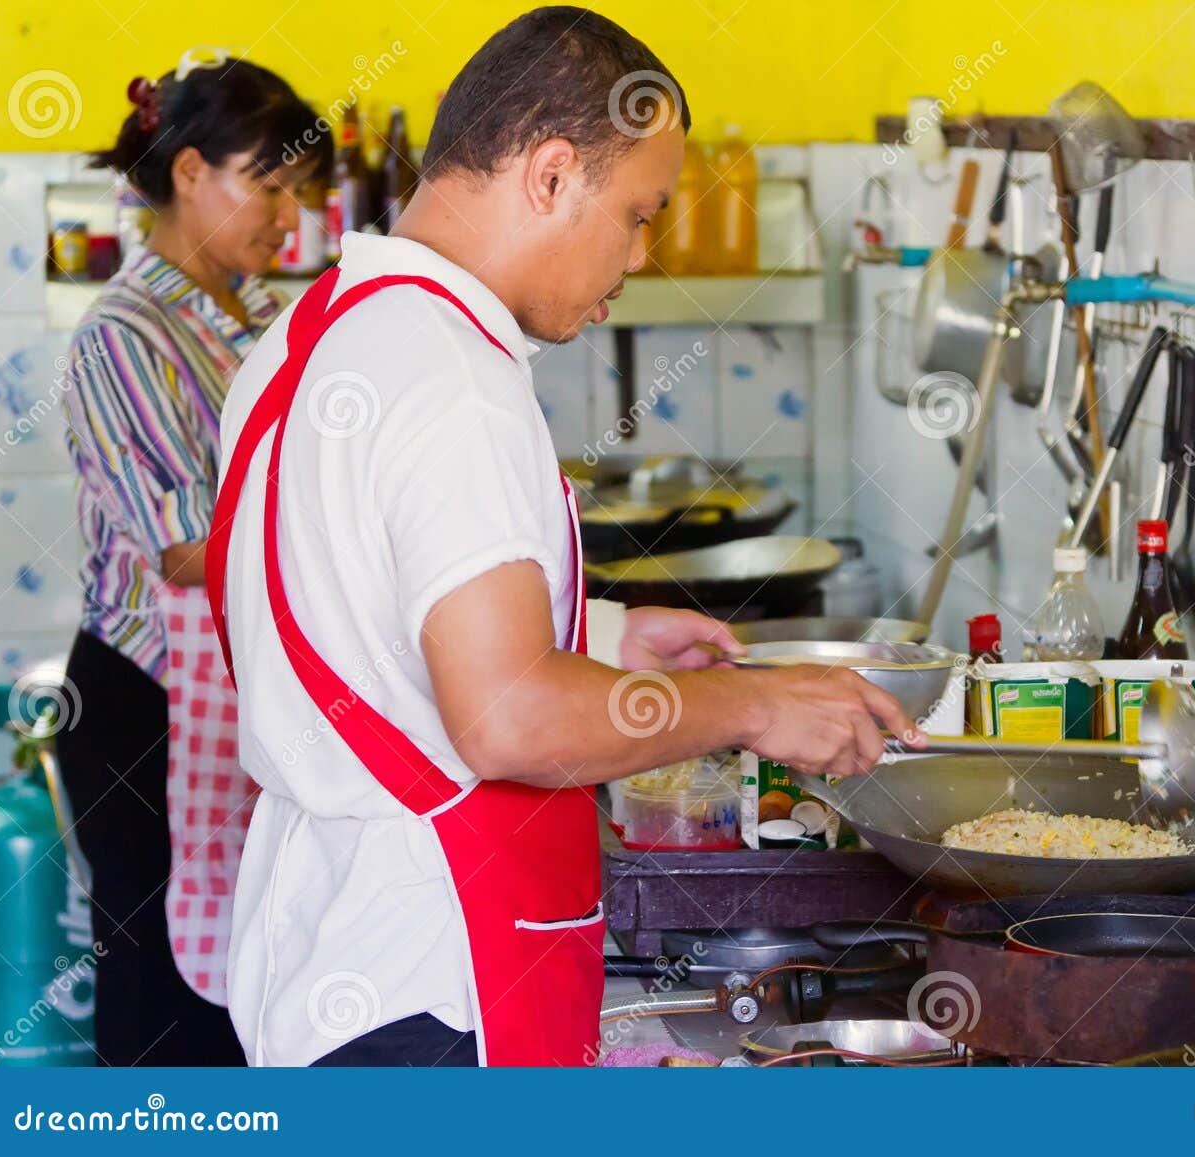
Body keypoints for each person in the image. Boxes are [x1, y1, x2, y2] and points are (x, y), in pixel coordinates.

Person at [210, 6, 921, 1068]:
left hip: (322, 960)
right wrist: (760, 705)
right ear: (549, 174)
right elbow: (507, 717)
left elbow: (351, 595)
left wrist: (598, 631)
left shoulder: (318, 329)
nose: (639, 254)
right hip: (429, 980)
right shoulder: (455, 374)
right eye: (638, 214)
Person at [56, 51, 330, 1065]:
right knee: (165, 988)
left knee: (243, 974)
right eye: (267, 183)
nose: (286, 216)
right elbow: (186, 548)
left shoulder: (251, 322)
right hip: (146, 702)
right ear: (187, 173)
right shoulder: (125, 333)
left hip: (234, 688)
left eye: (298, 190)